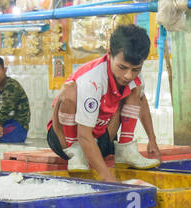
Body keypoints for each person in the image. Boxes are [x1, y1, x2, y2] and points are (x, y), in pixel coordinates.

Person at [46, 24, 161, 180]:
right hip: (66, 139)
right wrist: (106, 175)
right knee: (69, 90)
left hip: (99, 137)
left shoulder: (134, 78)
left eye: (135, 69)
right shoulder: (93, 79)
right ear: (109, 55)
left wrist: (152, 141)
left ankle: (125, 149)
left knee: (136, 88)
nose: (128, 75)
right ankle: (76, 152)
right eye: (122, 67)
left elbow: (143, 103)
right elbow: (84, 135)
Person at [0, 54, 30, 144]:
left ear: (4, 70)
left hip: (17, 127)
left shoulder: (11, 86)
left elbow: (2, 115)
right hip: (2, 124)